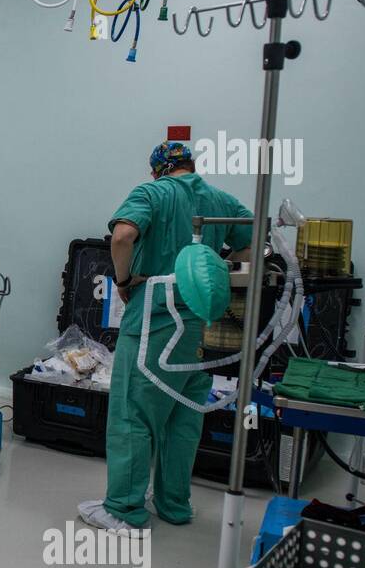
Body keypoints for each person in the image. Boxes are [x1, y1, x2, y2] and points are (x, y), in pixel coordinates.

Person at [78, 142, 252, 533]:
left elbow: (122, 237)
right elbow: (251, 240)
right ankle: (175, 504)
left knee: (133, 414)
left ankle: (124, 509)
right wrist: (210, 267)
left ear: (156, 169)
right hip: (204, 323)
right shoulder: (220, 200)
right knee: (183, 416)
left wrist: (122, 281)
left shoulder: (151, 192)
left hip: (157, 318)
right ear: (191, 165)